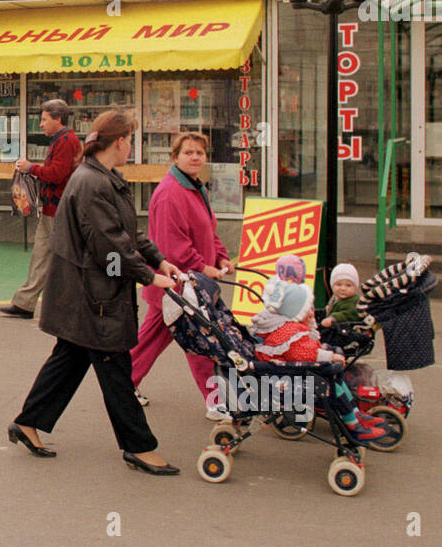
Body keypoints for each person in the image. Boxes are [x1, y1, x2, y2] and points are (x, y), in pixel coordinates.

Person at [9, 110, 185, 475]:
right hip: (94, 295)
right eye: (131, 140)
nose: (131, 147)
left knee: (70, 358)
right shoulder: (93, 183)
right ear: (119, 142)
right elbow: (110, 248)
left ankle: (28, 422)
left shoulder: (101, 178)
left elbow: (127, 233)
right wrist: (148, 277)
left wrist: (159, 261)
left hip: (87, 292)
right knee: (116, 368)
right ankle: (139, 447)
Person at [130, 131, 234, 415]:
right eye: (188, 152)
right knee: (201, 341)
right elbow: (172, 246)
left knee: (150, 341)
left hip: (183, 286)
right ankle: (215, 402)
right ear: (175, 157)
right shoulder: (169, 194)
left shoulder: (195, 188)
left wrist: (221, 256)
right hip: (179, 286)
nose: (195, 157)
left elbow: (207, 231)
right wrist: (203, 266)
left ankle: (124, 384)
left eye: (200, 152)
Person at [250, 276, 388, 443]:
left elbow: (307, 347)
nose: (312, 313)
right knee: (334, 385)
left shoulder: (291, 327)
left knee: (338, 379)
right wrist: (330, 356)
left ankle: (356, 415)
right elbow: (304, 354)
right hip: (290, 375)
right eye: (308, 309)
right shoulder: (290, 333)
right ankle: (353, 426)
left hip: (294, 369)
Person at [0, 99, 81, 319]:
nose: (41, 124)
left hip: (59, 209)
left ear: (58, 119)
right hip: (54, 209)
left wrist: (31, 168)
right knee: (42, 255)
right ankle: (25, 302)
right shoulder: (63, 140)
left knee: (52, 257)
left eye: (44, 120)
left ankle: (35, 302)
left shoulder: (65, 141)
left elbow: (56, 173)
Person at [320, 263, 361, 329]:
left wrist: (333, 318)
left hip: (347, 331)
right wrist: (328, 308)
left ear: (355, 287)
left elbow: (349, 314)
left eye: (348, 285)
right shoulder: (335, 297)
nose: (343, 288)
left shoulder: (355, 301)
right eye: (339, 284)